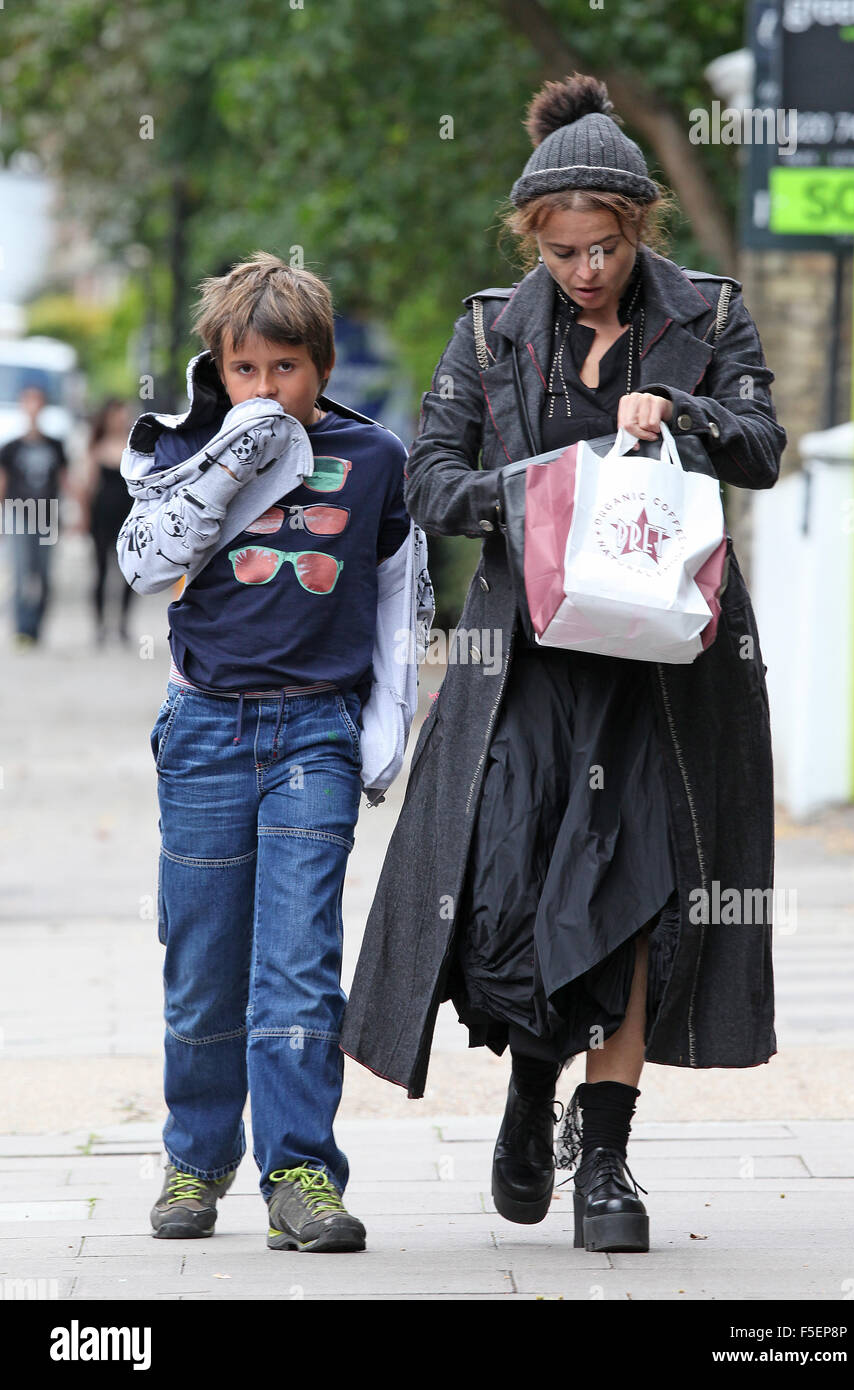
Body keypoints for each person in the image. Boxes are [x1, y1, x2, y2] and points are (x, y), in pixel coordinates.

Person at [341, 74, 785, 1254]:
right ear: (531, 238)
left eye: (601, 248)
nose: (583, 272)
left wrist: (681, 414)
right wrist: (539, 492)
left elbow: (764, 445)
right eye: (560, 251)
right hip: (526, 668)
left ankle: (608, 1154)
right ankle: (532, 1091)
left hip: (660, 676)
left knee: (636, 899)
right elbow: (428, 477)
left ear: (638, 229)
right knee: (515, 897)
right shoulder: (489, 328)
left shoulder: (710, 314)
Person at [116, 252, 419, 1252]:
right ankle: (197, 1159)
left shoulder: (374, 459)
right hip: (206, 729)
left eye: (285, 368)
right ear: (218, 367)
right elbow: (145, 562)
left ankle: (300, 1171)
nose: (266, 389)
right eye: (245, 369)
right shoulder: (181, 449)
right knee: (203, 960)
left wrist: (385, 729)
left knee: (298, 961)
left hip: (313, 732)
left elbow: (393, 602)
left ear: (322, 366)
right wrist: (233, 455)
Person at [0, 384, 69, 646]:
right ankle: (21, 628)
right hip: (19, 512)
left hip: (47, 513)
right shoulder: (10, 448)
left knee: (44, 575)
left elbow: (64, 480)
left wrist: (79, 513)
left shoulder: (55, 445)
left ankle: (37, 627)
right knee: (19, 573)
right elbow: (2, 484)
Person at [81, 398, 136, 645]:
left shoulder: (135, 447)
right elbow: (88, 486)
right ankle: (100, 625)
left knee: (129, 572)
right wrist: (84, 516)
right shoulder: (96, 447)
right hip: (102, 515)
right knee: (101, 571)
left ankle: (123, 623)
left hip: (130, 515)